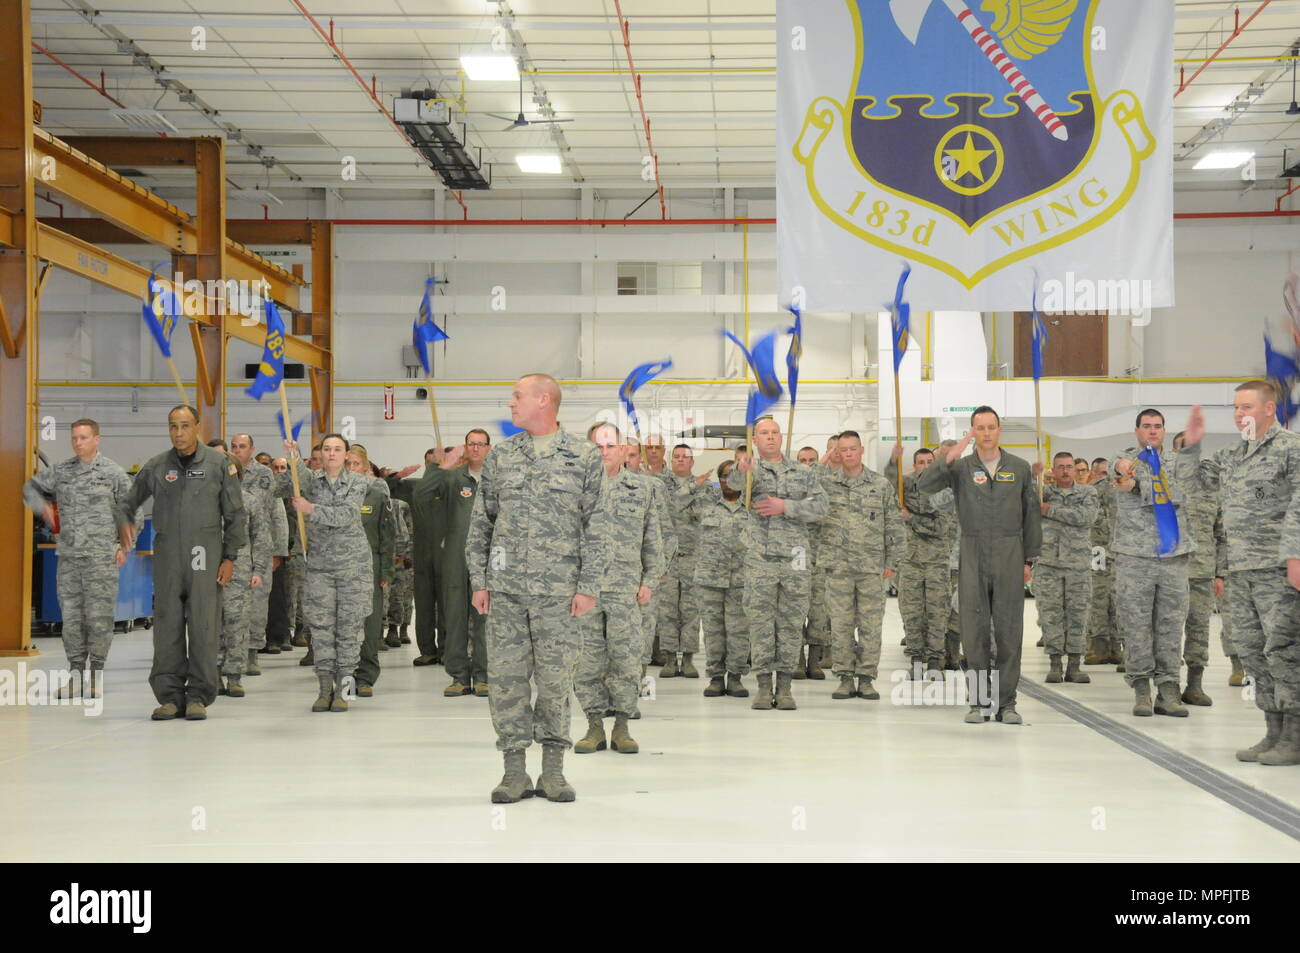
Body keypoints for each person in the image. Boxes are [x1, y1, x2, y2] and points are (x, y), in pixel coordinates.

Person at [465, 374, 602, 803]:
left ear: (544, 400)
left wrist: (589, 585)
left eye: (517, 396)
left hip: (560, 594)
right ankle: (514, 772)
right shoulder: (503, 456)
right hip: (505, 593)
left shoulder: (583, 456)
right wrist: (479, 579)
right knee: (507, 681)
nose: (511, 403)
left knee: (556, 681)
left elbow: (597, 526)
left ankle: (554, 772)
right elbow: (481, 524)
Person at [1181, 385, 1300, 763]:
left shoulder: (1290, 448)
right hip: (1241, 570)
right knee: (1252, 652)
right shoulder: (1232, 454)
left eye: (1246, 407)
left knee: (1284, 652)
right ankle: (1273, 732)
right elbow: (1191, 483)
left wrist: (1295, 554)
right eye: (1235, 407)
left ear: (1269, 408)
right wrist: (1192, 446)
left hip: (1277, 570)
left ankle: (1295, 737)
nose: (1238, 414)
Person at [115, 405, 247, 721]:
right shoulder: (157, 466)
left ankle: (199, 695)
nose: (178, 433)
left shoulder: (219, 464)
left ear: (197, 427)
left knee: (204, 627)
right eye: (173, 426)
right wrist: (125, 524)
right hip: (169, 560)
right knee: (167, 627)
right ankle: (170, 697)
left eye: (185, 425)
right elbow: (128, 502)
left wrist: (230, 557)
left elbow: (235, 514)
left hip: (206, 558)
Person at [919, 406, 1040, 724]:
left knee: (1009, 632)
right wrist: (952, 452)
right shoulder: (961, 468)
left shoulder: (1019, 467)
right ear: (972, 432)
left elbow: (1031, 516)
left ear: (1000, 430)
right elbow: (925, 484)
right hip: (972, 554)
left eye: (991, 427)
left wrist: (1029, 559)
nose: (986, 433)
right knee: (973, 633)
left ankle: (1007, 703)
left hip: (1010, 553)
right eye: (979, 428)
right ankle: (978, 702)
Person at [23, 418, 132, 698]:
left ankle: (95, 675)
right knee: (71, 620)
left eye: (83, 437)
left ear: (97, 439)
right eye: (74, 438)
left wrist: (123, 546)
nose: (77, 442)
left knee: (99, 619)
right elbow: (29, 488)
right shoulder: (61, 471)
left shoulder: (113, 473)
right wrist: (43, 509)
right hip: (69, 559)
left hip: (101, 559)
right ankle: (74, 675)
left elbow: (132, 512)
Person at [574, 423, 664, 755]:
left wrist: (649, 581)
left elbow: (653, 539)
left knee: (626, 660)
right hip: (586, 592)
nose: (604, 452)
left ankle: (622, 727)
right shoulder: (576, 489)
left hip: (627, 590)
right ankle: (594, 726)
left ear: (623, 448)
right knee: (587, 662)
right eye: (597, 446)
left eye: (610, 446)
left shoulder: (642, 488)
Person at [727, 417, 828, 709]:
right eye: (763, 434)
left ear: (781, 437)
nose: (770, 438)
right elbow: (733, 485)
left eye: (774, 433)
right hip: (760, 556)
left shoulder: (802, 471)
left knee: (791, 622)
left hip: (796, 556)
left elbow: (822, 506)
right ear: (755, 440)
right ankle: (762, 685)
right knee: (760, 622)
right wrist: (740, 469)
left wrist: (787, 507)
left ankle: (784, 686)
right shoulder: (750, 470)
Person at [1110, 408, 1197, 718]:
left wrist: (1137, 487)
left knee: (1171, 627)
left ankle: (1169, 689)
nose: (1152, 431)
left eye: (1158, 426)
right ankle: (1142, 688)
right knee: (1136, 626)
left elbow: (1177, 494)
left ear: (1164, 430)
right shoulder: (1126, 460)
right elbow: (1114, 469)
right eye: (1146, 426)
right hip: (1135, 558)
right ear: (1137, 431)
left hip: (1172, 557)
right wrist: (1123, 470)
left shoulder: (1177, 463)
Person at [281, 433, 372, 713]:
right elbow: (287, 486)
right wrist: (293, 459)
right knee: (321, 630)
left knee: (348, 630)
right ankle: (323, 690)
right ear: (320, 453)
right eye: (327, 449)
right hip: (320, 566)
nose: (332, 454)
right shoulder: (311, 481)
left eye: (337, 449)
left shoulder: (358, 482)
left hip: (352, 567)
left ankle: (344, 691)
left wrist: (312, 509)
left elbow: (347, 515)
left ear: (346, 454)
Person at [818, 431, 902, 701]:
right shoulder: (826, 483)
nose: (849, 454)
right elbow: (803, 484)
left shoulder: (879, 485)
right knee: (840, 624)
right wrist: (823, 461)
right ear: (837, 453)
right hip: (838, 566)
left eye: (853, 448)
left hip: (870, 567)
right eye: (843, 450)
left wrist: (893, 561)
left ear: (861, 450)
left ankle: (866, 677)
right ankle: (844, 677)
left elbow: (894, 524)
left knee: (871, 625)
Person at [423, 429, 492, 697]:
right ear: (464, 447)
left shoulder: (496, 479)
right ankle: (459, 676)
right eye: (471, 444)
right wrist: (439, 467)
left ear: (488, 448)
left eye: (480, 444)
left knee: (484, 618)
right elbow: (423, 495)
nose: (475, 448)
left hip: (487, 560)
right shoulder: (452, 478)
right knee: (454, 616)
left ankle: (484, 675)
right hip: (455, 556)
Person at [886, 445, 956, 676]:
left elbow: (941, 526)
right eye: (920, 462)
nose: (925, 467)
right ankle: (916, 656)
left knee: (937, 612)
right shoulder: (907, 485)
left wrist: (911, 518)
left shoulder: (943, 490)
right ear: (914, 466)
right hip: (910, 560)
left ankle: (935, 658)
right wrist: (893, 460)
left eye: (929, 462)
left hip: (936, 561)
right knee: (911, 611)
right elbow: (890, 482)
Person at [1034, 451, 1099, 684]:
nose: (1065, 471)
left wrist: (1049, 510)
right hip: (1048, 563)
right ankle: (1054, 663)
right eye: (1060, 467)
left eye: (1069, 466)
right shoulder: (1043, 491)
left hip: (1077, 565)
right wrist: (1034, 476)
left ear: (1075, 469)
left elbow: (1086, 516)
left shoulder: (1087, 492)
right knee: (1050, 615)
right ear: (1053, 469)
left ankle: (1074, 664)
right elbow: (1023, 499)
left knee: (1078, 615)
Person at [1171, 429, 1226, 705]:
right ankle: (1167, 685)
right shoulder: (1163, 485)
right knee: (1166, 629)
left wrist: (1220, 573)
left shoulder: (1211, 489)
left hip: (1202, 571)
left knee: (1199, 629)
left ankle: (1194, 685)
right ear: (1174, 453)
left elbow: (1221, 533)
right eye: (1184, 449)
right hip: (1169, 569)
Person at [623, 436, 676, 716]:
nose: (627, 460)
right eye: (624, 454)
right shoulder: (596, 485)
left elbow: (665, 532)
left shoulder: (653, 487)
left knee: (642, 635)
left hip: (643, 577)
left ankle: (636, 687)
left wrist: (657, 572)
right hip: (610, 579)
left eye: (632, 455)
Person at [692, 458, 751, 698]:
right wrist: (694, 484)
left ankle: (736, 677)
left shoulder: (751, 505)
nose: (728, 480)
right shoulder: (705, 502)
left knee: (738, 631)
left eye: (732, 475)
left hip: (741, 578)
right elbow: (675, 503)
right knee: (714, 631)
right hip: (710, 578)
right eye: (724, 476)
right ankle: (716, 677)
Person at [386, 451, 449, 667]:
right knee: (423, 603)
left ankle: (446, 649)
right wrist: (397, 475)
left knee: (447, 605)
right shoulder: (415, 487)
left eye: (438, 461)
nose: (434, 466)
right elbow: (387, 488)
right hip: (421, 553)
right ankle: (427, 650)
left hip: (446, 553)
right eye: (430, 462)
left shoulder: (453, 485)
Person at [230, 434, 289, 662]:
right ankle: (232, 651)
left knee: (258, 599)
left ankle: (253, 650)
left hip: (260, 545)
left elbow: (276, 512)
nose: (237, 450)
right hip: (234, 544)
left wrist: (278, 551)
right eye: (234, 446)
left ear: (252, 449)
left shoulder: (264, 474)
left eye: (242, 446)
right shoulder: (225, 473)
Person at [217, 453, 270, 698]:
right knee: (211, 624)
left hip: (240, 572)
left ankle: (234, 677)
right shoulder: (206, 501)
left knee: (237, 625)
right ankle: (213, 674)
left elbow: (261, 538)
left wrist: (258, 570)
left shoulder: (249, 502)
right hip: (208, 572)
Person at [656, 443, 711, 678]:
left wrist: (686, 498)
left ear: (692, 461)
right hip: (666, 557)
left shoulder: (706, 488)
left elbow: (704, 513)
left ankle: (688, 658)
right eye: (676, 456)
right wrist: (690, 491)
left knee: (691, 609)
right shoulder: (660, 484)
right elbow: (667, 509)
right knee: (667, 609)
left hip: (693, 555)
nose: (680, 460)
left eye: (685, 457)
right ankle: (669, 658)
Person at [347, 445, 394, 697]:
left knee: (370, 623)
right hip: (341, 568)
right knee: (344, 624)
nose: (352, 469)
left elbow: (388, 536)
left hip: (370, 568)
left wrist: (387, 571)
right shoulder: (335, 495)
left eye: (356, 464)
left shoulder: (376, 496)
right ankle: (344, 676)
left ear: (366, 468)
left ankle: (365, 676)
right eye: (348, 464)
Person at [797, 442, 832, 679]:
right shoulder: (790, 486)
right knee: (796, 608)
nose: (808, 465)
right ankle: (797, 659)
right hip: (797, 554)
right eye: (803, 461)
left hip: (821, 554)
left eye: (813, 460)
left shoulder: (826, 486)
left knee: (819, 610)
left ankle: (814, 661)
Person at [1084, 468, 1122, 668]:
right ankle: (1098, 646)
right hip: (1097, 551)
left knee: (1120, 600)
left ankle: (1117, 646)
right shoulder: (1094, 490)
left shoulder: (1129, 490)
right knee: (1097, 598)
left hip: (1122, 552)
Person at [266, 456, 304, 654]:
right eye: (276, 467)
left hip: (294, 552)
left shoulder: (296, 493)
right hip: (276, 550)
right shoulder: (271, 491)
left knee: (293, 596)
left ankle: (288, 633)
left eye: (283, 467)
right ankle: (280, 634)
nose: (279, 470)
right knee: (281, 596)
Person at [385, 497, 415, 647]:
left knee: (401, 593)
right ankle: (395, 630)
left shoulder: (398, 504)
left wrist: (407, 554)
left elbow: (407, 531)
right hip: (392, 554)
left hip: (399, 554)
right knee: (399, 593)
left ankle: (397, 629)